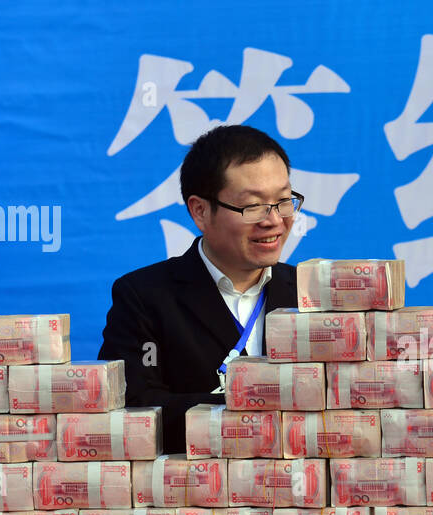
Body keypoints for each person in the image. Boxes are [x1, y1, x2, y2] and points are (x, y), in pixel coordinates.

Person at [99, 125, 302, 454]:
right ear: (200, 211)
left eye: (283, 201)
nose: (274, 220)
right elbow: (133, 409)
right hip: (191, 496)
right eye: (253, 207)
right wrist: (246, 409)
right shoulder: (144, 296)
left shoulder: (311, 295)